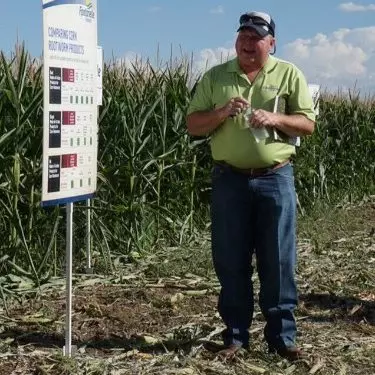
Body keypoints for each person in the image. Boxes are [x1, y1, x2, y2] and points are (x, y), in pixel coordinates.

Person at [186, 11, 315, 361]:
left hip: (276, 178)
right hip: (230, 180)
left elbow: (307, 124)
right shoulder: (216, 77)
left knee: (278, 260)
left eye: (256, 36)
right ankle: (236, 337)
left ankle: (283, 338)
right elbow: (193, 124)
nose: (247, 41)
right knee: (231, 260)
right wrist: (222, 112)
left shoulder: (289, 74)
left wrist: (275, 118)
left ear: (271, 42)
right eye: (243, 34)